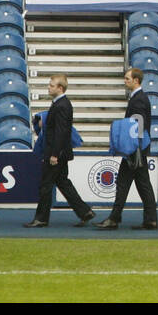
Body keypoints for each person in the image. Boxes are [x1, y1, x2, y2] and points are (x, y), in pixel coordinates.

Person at [25, 75, 97, 228]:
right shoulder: (61, 104)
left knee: (45, 185)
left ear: (60, 88)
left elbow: (61, 132)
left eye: (51, 85)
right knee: (63, 183)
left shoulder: (62, 105)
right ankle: (84, 211)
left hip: (56, 153)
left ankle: (41, 218)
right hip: (59, 152)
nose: (48, 87)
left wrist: (54, 154)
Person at [96, 68, 158, 230]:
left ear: (136, 80)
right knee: (143, 184)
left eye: (127, 78)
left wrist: (132, 148)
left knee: (124, 184)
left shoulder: (138, 100)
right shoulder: (139, 98)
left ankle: (114, 218)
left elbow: (137, 125)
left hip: (134, 150)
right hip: (138, 149)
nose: (125, 81)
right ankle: (150, 219)